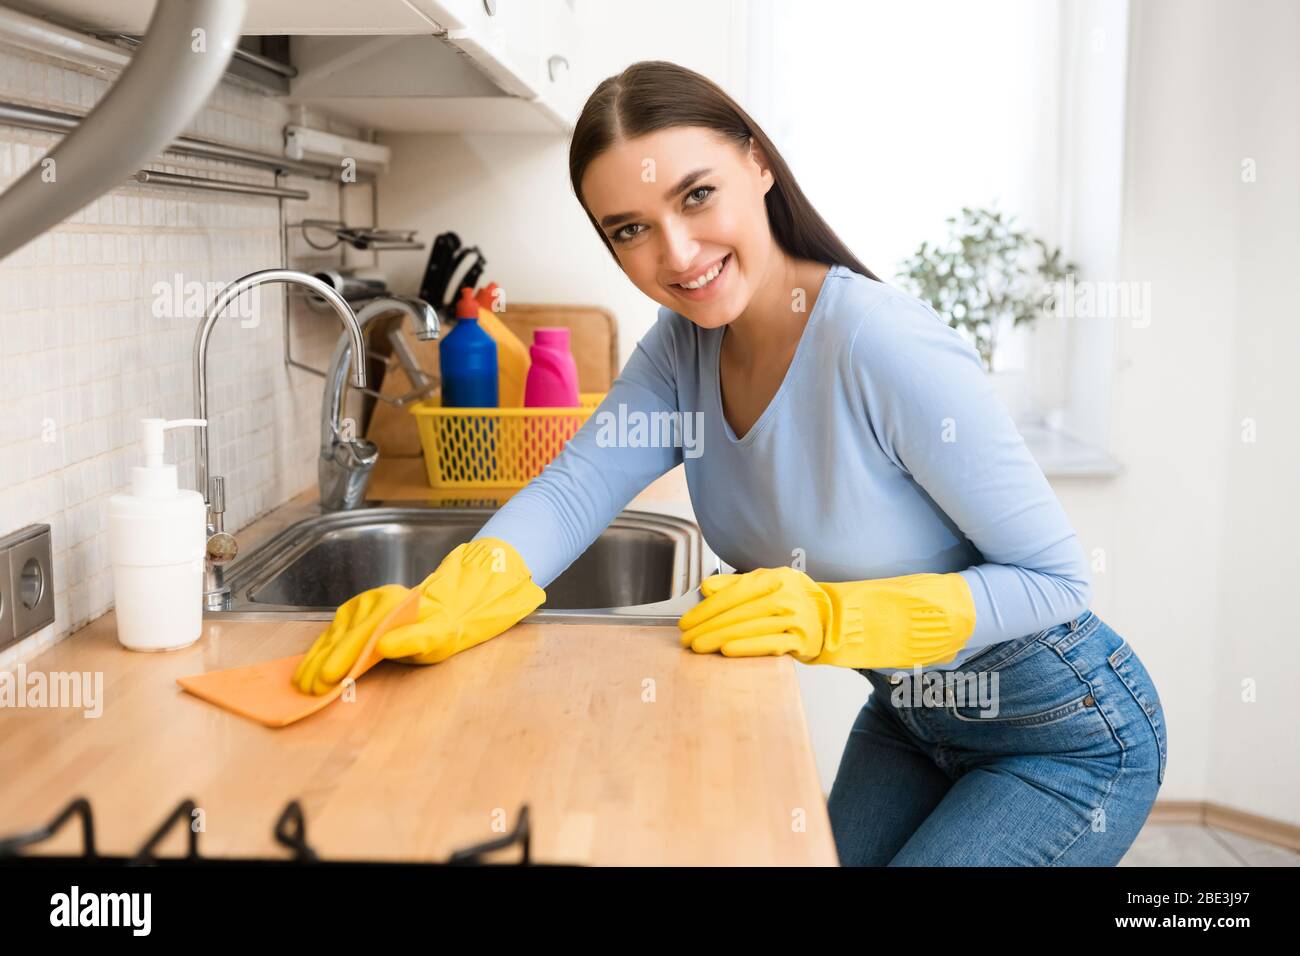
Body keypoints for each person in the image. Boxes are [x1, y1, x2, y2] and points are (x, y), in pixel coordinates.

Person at [293, 60, 1168, 866]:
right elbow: (569, 497)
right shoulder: (681, 354)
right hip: (911, 717)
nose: (675, 253)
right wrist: (447, 596)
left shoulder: (879, 343)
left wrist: (829, 618)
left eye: (698, 194)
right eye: (631, 228)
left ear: (758, 166)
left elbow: (1056, 580)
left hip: (1064, 733)